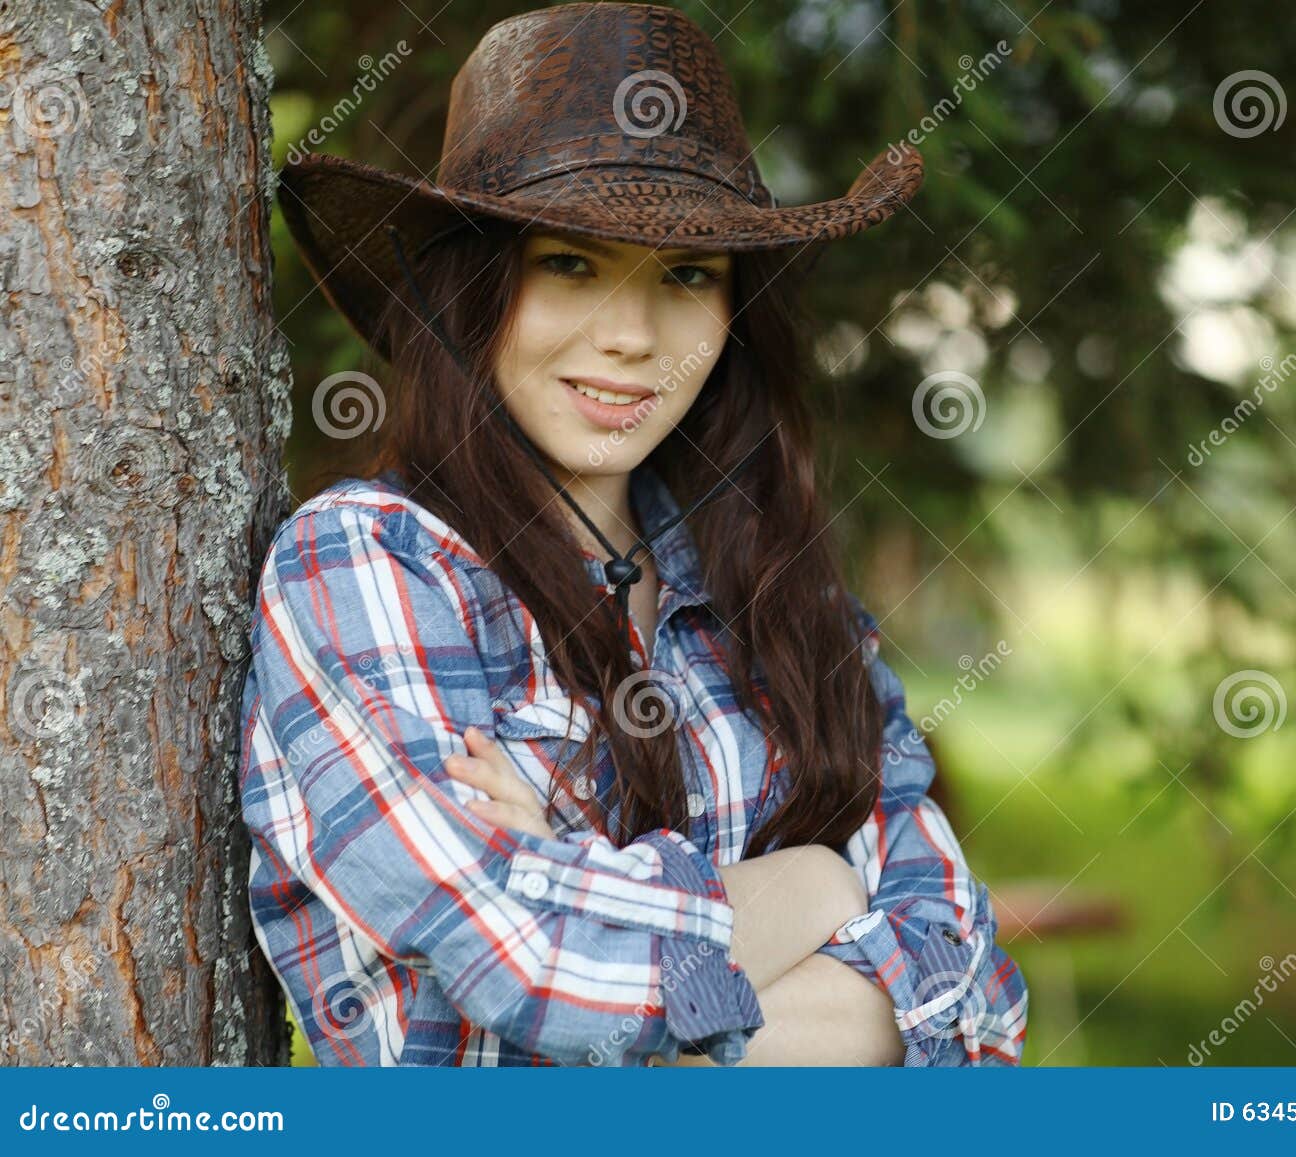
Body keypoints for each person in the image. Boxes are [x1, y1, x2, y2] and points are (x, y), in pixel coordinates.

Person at [241, 1, 1028, 1067]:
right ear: (475, 288)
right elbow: (530, 978)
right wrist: (816, 883)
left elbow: (975, 1009)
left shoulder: (791, 603)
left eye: (686, 276)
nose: (628, 337)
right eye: (569, 262)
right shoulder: (371, 563)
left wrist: (582, 891)